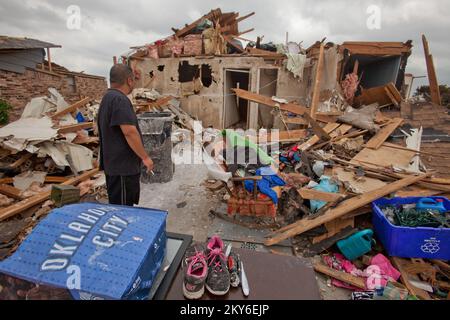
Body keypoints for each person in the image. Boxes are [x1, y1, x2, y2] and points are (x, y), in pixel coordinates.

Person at [97, 64, 154, 206]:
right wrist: (145, 157)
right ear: (129, 80)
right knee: (122, 210)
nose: (134, 83)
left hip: (115, 167)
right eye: (134, 80)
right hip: (122, 169)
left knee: (120, 207)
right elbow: (129, 132)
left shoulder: (108, 98)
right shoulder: (119, 100)